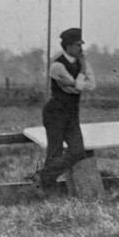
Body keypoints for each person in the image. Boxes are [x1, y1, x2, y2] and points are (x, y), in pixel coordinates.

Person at [29, 27, 96, 192]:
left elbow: (91, 85)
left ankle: (43, 177)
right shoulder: (57, 66)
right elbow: (75, 87)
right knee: (55, 151)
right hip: (55, 112)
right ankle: (48, 189)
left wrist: (77, 83)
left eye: (81, 45)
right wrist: (81, 74)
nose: (80, 49)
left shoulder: (83, 63)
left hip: (72, 114)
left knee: (78, 151)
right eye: (77, 45)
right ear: (67, 46)